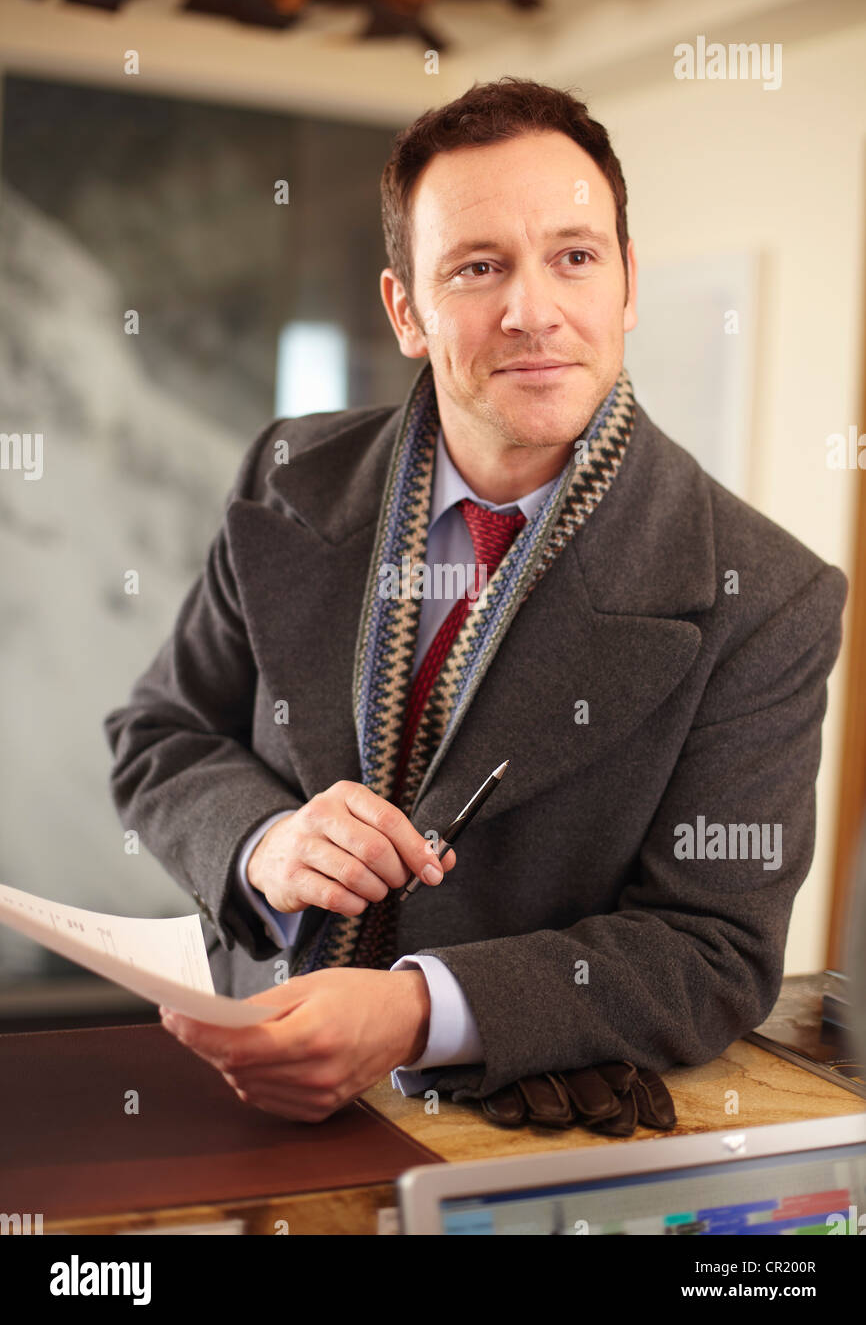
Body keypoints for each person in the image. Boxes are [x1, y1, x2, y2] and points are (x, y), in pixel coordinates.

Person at [103, 77, 847, 1123]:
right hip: (246, 1071)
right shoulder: (283, 473)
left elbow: (711, 950)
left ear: (627, 284)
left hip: (508, 1135)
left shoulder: (769, 593)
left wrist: (417, 1011)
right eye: (477, 266)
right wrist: (261, 840)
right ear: (405, 309)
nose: (531, 310)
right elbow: (159, 734)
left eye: (574, 257)